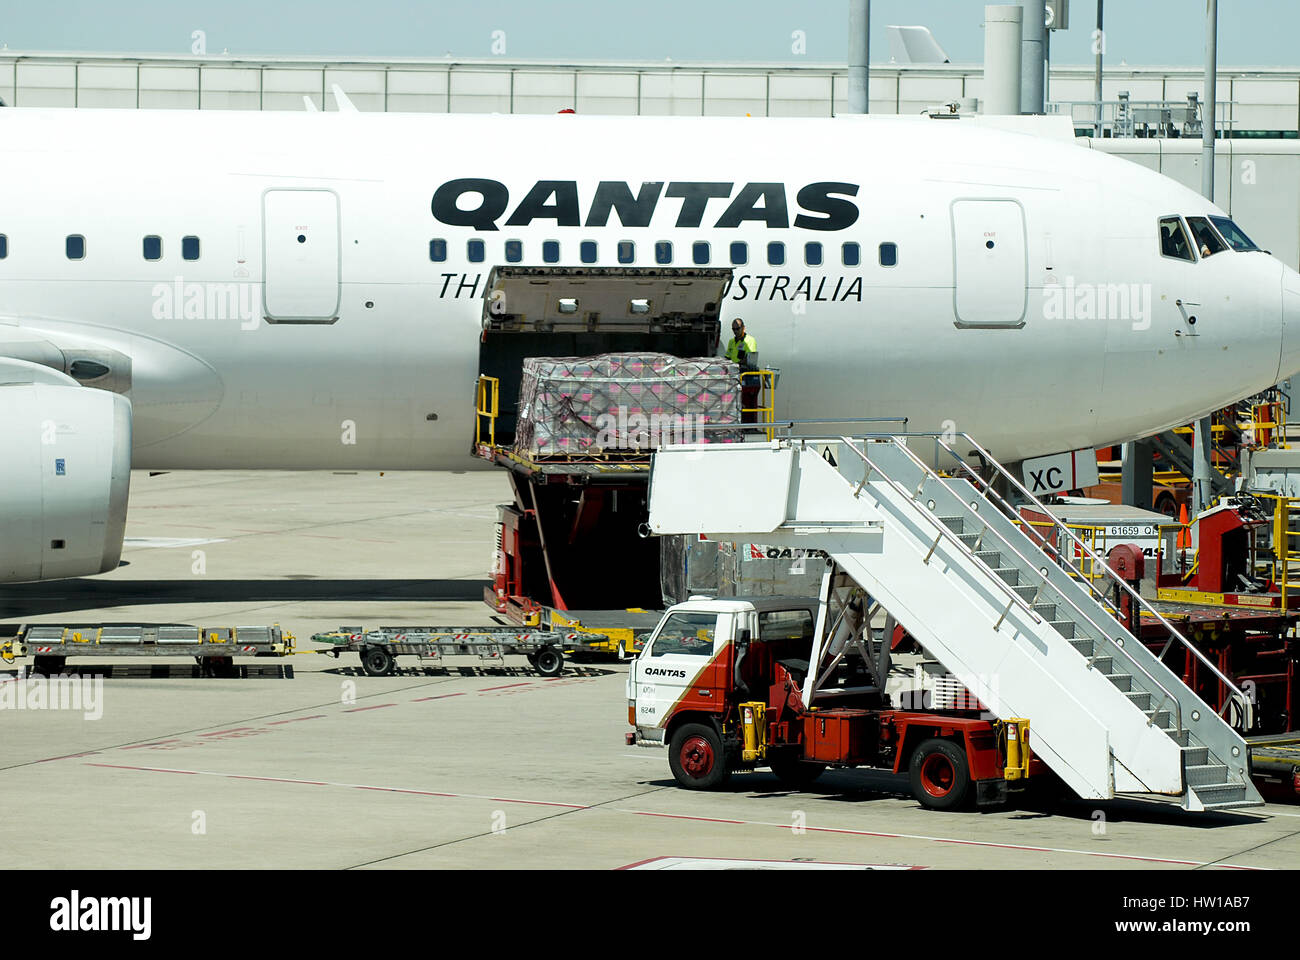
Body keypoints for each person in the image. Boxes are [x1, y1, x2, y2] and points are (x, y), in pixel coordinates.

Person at [725, 318, 761, 424]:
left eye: (738, 328)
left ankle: (748, 425)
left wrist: (737, 364)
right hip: (734, 375)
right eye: (734, 329)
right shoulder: (731, 342)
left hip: (745, 375)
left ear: (743, 328)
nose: (736, 331)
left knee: (747, 403)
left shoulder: (749, 340)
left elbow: (750, 357)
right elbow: (727, 357)